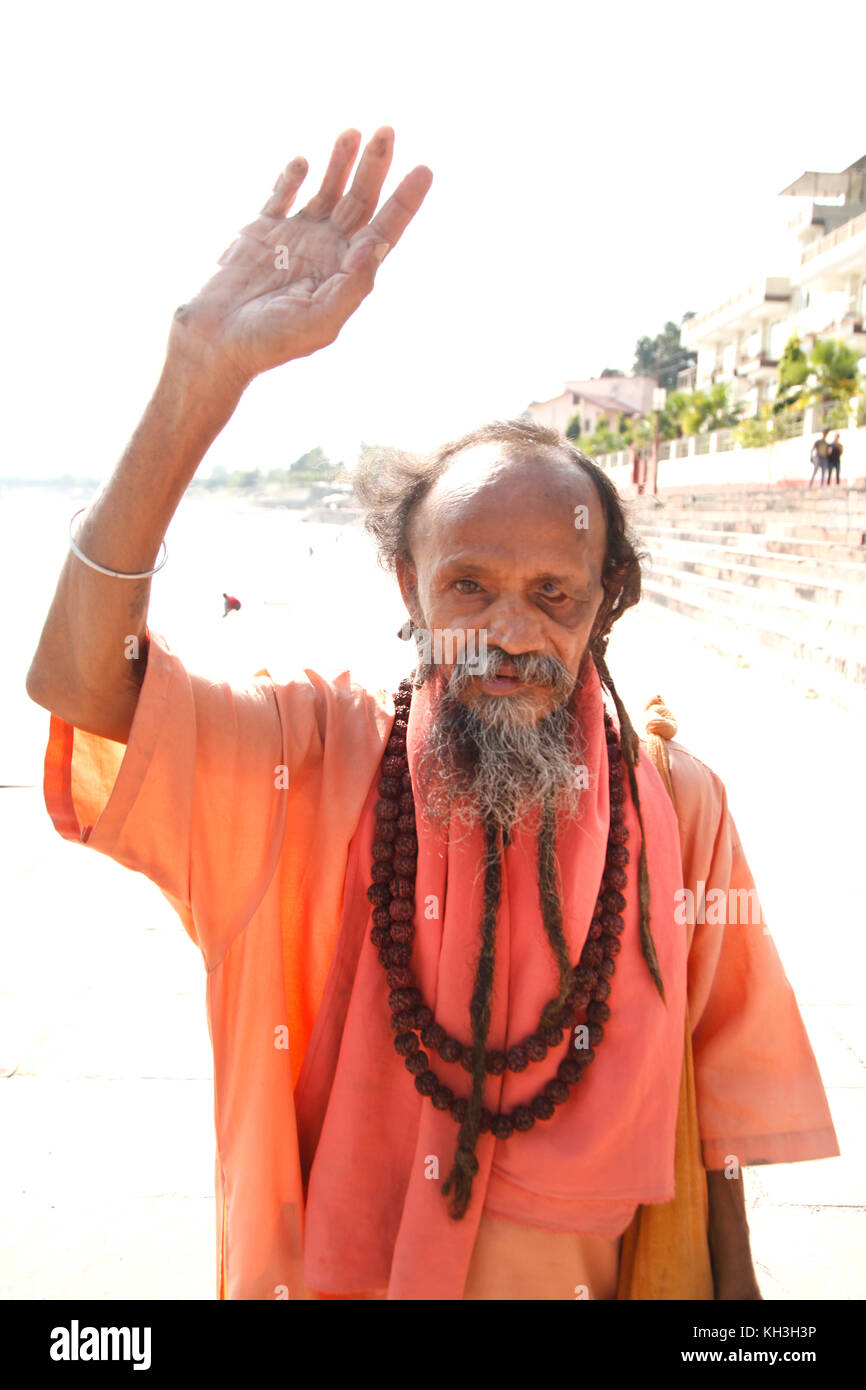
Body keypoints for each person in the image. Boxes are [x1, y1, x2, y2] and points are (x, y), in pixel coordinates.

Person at [26, 128, 837, 1302]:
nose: (507, 632)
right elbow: (85, 687)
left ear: (603, 604)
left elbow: (715, 1114)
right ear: (407, 589)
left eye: (550, 594)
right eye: (466, 585)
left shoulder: (680, 802)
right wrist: (197, 375)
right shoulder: (310, 759)